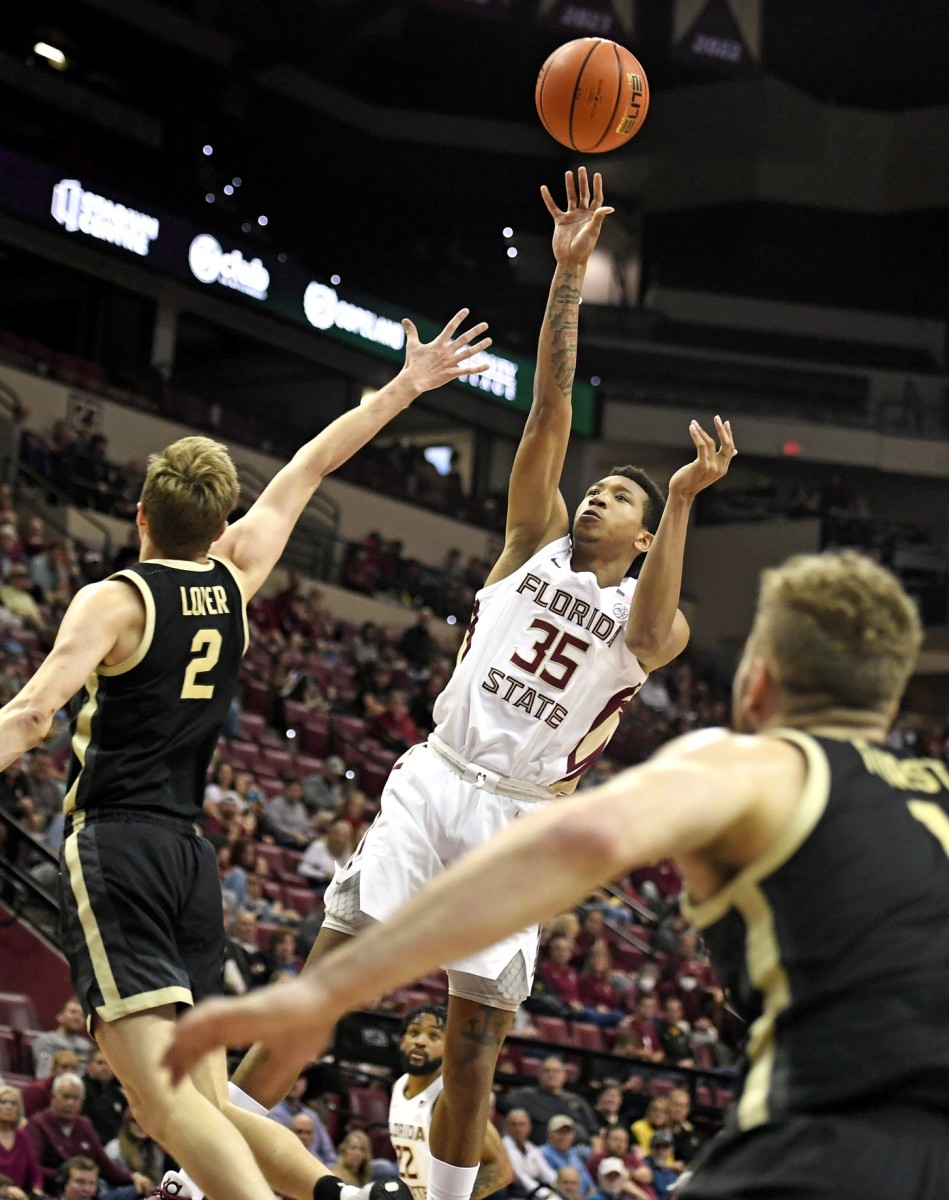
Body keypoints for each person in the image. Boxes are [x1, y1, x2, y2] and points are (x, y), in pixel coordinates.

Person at [206, 167, 734, 1200]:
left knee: (472, 1052)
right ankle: (203, 1169)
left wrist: (677, 499)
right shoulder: (531, 543)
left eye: (617, 498)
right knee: (318, 993)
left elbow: (660, 616)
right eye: (597, 487)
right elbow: (547, 404)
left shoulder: (648, 626)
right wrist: (567, 280)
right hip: (439, 776)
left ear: (640, 533)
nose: (596, 499)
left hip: (522, 823)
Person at [169, 549, 947, 1200]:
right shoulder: (935, 794)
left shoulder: (756, 766)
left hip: (821, 1147)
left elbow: (578, 847)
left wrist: (323, 991)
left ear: (758, 682)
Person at [0, 307, 491, 1200]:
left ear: (140, 512)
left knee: (162, 1103)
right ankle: (334, 1192)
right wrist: (409, 386)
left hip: (119, 845)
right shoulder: (234, 579)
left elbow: (31, 717)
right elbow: (311, 464)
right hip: (194, 860)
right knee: (212, 1092)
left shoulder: (115, 600)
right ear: (221, 517)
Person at [389, 1005, 511, 1200]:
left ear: (449, 1048)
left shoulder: (449, 1097)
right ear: (402, 1041)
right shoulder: (399, 1085)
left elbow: (501, 1169)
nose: (420, 1042)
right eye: (414, 1033)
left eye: (433, 1036)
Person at [24, 1074, 150, 1197]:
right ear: (53, 1097)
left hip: (90, 1192)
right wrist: (66, 1176)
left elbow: (104, 1164)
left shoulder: (84, 1125)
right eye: (66, 1097)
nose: (70, 1103)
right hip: (53, 1192)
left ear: (82, 1102)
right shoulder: (37, 1124)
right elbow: (32, 1168)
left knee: (136, 1191)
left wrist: (132, 1177)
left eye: (76, 1098)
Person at [501, 1058, 598, 1147]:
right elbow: (501, 1106)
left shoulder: (576, 1100)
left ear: (564, 1076)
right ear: (538, 1074)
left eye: (556, 1071)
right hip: (543, 1151)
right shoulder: (525, 1096)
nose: (551, 1075)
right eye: (547, 1071)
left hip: (582, 1150)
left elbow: (594, 1133)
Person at [500, 1110, 556, 1199]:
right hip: (515, 1194)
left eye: (522, 1124)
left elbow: (546, 1172)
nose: (518, 1128)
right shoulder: (503, 1147)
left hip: (534, 1191)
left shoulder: (531, 1147)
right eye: (514, 1124)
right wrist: (545, 1194)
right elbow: (520, 1177)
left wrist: (559, 1188)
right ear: (506, 1127)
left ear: (529, 1127)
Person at [0, 1086, 44, 1199]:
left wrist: (37, 1189)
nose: (8, 1107)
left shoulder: (23, 1138)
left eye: (13, 1103)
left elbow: (34, 1171)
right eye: (3, 1102)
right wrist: (5, 1190)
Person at [30, 1000, 93, 1079]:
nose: (77, 1017)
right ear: (60, 1017)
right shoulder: (46, 1040)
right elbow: (44, 1074)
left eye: (81, 1015)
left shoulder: (86, 1046)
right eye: (73, 1012)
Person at [81, 1050, 127, 1146]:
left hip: (118, 1146)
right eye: (100, 1063)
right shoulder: (80, 1089)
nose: (105, 1067)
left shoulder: (117, 1093)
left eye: (108, 1063)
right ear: (88, 1065)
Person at [537, 1118, 593, 1197]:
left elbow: (590, 1186)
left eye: (567, 1133)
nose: (563, 1137)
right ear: (549, 1134)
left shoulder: (575, 1154)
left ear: (573, 1136)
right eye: (559, 1132)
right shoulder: (541, 1153)